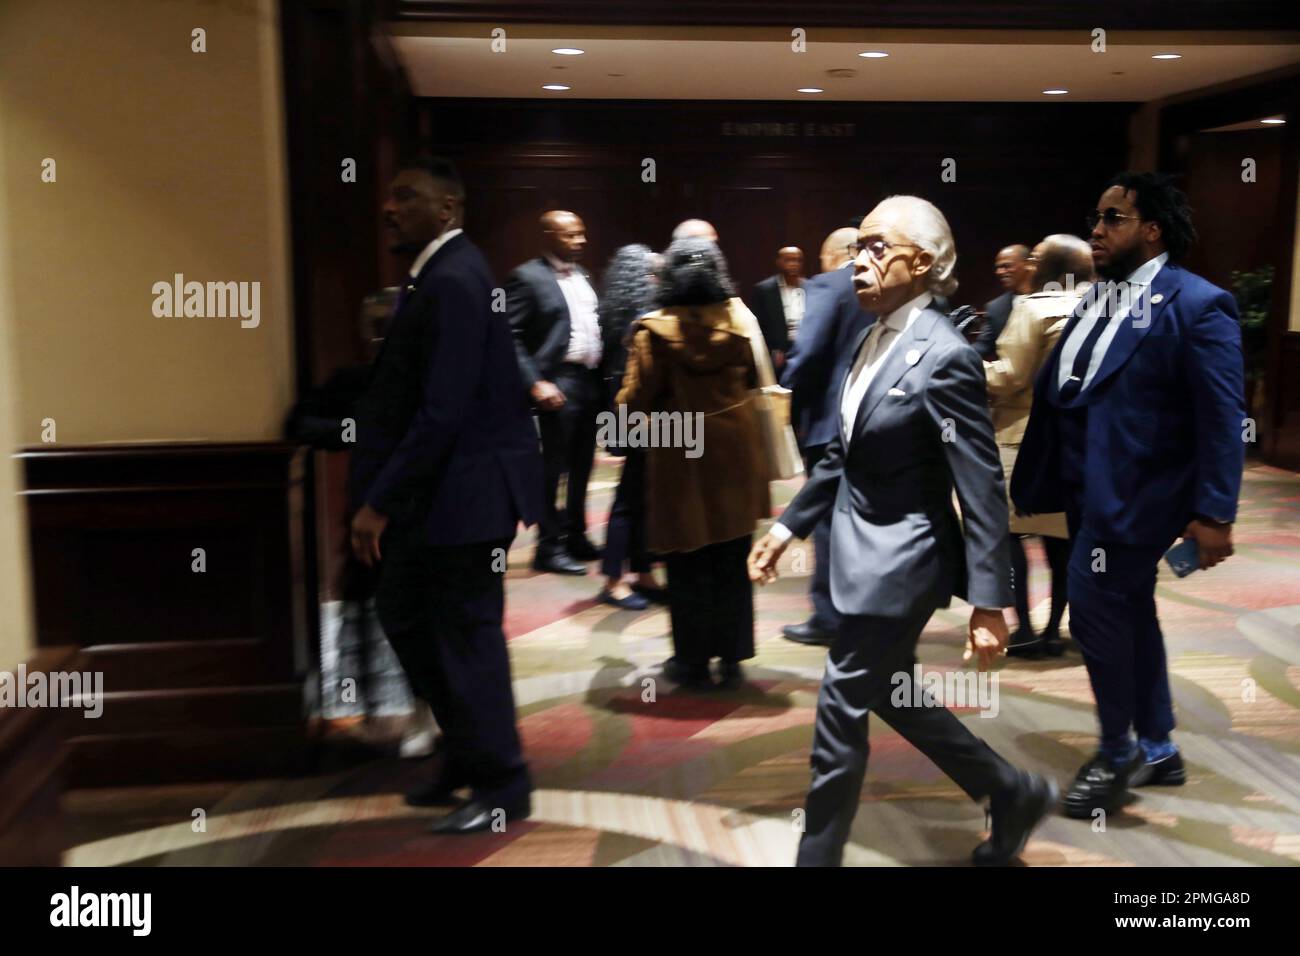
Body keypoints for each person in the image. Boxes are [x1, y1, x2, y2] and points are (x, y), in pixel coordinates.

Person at [748, 195, 1055, 867]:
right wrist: (787, 526)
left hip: (906, 560)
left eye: (875, 248)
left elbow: (979, 486)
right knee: (896, 694)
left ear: (922, 263)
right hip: (863, 551)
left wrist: (991, 602)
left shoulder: (944, 357)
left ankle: (815, 857)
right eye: (856, 247)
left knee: (839, 708)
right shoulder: (872, 335)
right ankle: (1010, 791)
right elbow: (842, 455)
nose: (859, 262)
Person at [1012, 172, 1244, 818]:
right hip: (1089, 492)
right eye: (1096, 216)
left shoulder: (1199, 306)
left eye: (1113, 217)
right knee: (1132, 614)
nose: (1097, 228)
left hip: (1140, 500)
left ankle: (1118, 753)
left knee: (1093, 614)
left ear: (1153, 229)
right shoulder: (1096, 298)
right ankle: (1161, 747)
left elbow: (1223, 420)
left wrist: (1214, 514)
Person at [349, 157, 542, 834]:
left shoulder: (457, 278)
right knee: (406, 616)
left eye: (407, 197)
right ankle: (466, 755)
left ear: (449, 209)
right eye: (390, 195)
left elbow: (444, 409)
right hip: (443, 498)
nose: (390, 208)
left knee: (466, 641)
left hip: (463, 500)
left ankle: (503, 784)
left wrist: (379, 500)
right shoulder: (437, 273)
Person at [618, 238, 770, 691]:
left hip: (680, 452)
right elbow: (756, 380)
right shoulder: (740, 322)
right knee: (731, 553)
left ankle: (692, 661)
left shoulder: (653, 331)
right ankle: (733, 658)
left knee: (686, 556)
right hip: (735, 449)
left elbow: (634, 400)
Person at [986, 235, 1091, 658]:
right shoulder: (1108, 306)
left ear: (1047, 268)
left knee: (1011, 535)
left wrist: (961, 364)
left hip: (1023, 437)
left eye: (1033, 259)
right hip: (1081, 441)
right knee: (1064, 538)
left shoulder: (1033, 308)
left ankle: (1026, 628)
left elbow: (1009, 376)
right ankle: (1056, 628)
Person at [778, 226, 875, 647]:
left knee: (827, 519)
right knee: (870, 515)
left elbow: (810, 349)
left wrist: (786, 391)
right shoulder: (893, 283)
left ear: (837, 254)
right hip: (882, 416)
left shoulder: (830, 283)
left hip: (829, 420)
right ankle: (868, 609)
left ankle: (830, 617)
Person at [505, 210, 604, 576]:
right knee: (553, 469)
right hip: (556, 381)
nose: (580, 241)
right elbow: (509, 335)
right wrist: (534, 382)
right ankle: (547, 547)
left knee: (582, 466)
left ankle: (576, 535)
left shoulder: (584, 275)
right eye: (570, 235)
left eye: (581, 234)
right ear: (548, 235)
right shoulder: (525, 277)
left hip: (589, 380)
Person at [596, 244, 667, 610]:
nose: (662, 279)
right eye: (656, 274)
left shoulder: (631, 312)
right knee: (629, 497)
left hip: (638, 415)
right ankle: (612, 579)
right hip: (638, 416)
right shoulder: (640, 319)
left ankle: (642, 571)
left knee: (643, 496)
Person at [750, 246, 806, 370]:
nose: (793, 264)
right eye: (788, 260)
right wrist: (772, 351)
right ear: (779, 262)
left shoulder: (810, 286)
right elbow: (758, 325)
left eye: (797, 260)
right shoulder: (764, 290)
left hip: (804, 348)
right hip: (778, 353)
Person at [975, 245, 1033, 359]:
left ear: (1028, 265)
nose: (999, 272)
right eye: (998, 268)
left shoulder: (1053, 297)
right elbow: (983, 345)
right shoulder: (995, 307)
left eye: (1006, 266)